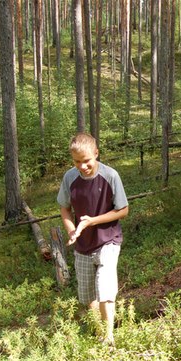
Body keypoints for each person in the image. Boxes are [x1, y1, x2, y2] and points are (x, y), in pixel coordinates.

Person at [57, 133, 129, 345]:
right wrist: (72, 230)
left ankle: (109, 336)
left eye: (86, 160)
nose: (82, 166)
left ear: (96, 153)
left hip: (108, 239)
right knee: (88, 295)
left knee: (105, 288)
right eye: (77, 162)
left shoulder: (110, 175)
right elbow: (64, 207)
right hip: (83, 245)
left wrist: (93, 221)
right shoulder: (70, 178)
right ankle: (99, 331)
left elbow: (123, 210)